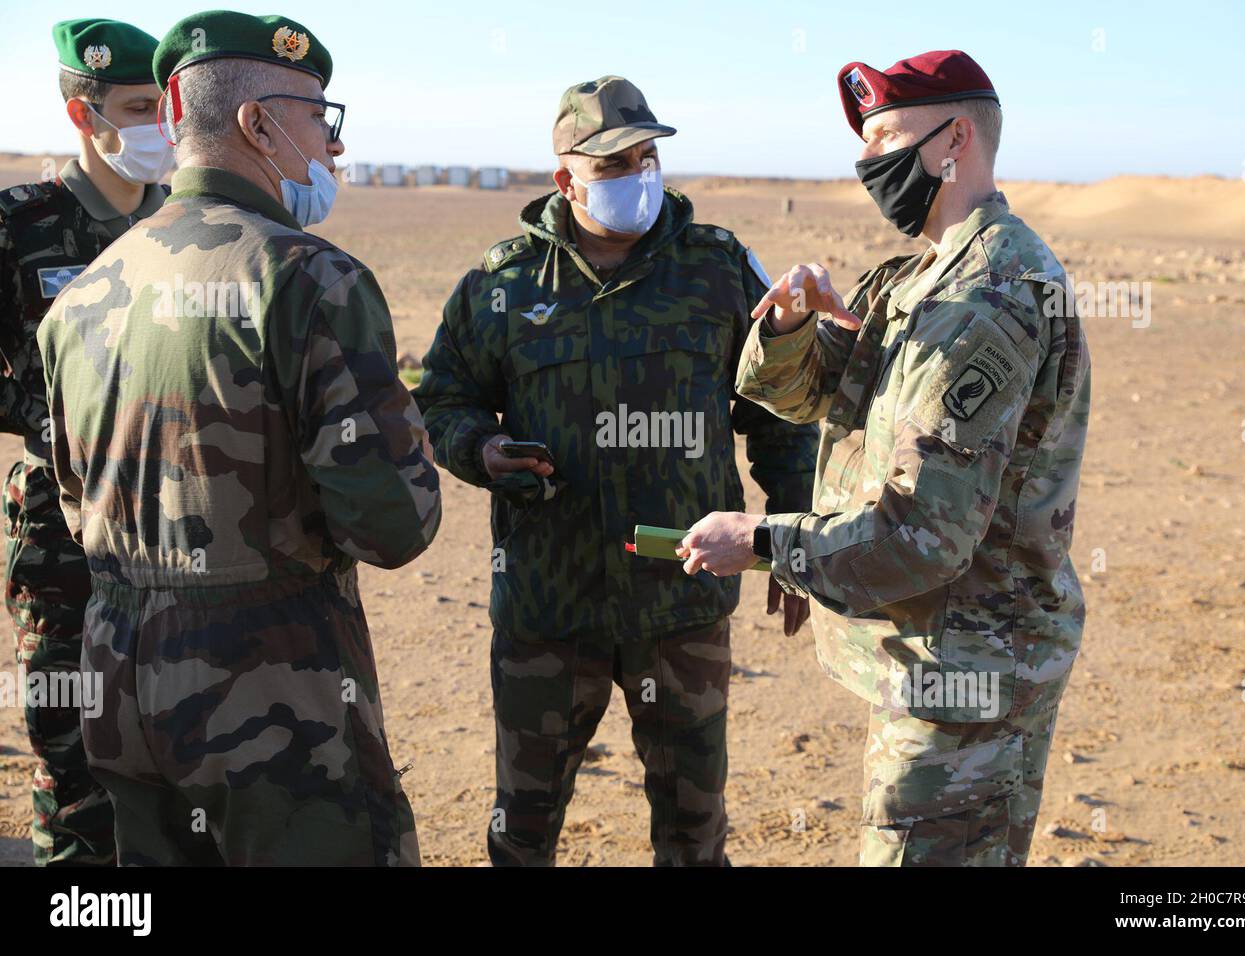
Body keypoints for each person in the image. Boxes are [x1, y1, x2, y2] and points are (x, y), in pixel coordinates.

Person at [37, 11, 442, 865]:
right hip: (274, 694)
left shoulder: (85, 293)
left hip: (120, 679)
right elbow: (393, 525)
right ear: (258, 123)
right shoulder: (308, 277)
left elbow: (78, 502)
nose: (330, 149)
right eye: (317, 120)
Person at [679, 50, 1091, 866]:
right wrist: (797, 326)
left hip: (969, 675)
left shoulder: (988, 296)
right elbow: (813, 400)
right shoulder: (920, 279)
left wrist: (763, 543)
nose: (871, 164)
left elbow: (922, 536)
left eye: (888, 138)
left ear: (955, 140)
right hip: (931, 657)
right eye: (865, 145)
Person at [414, 75, 818, 866]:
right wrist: (481, 452)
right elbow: (443, 399)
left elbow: (777, 409)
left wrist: (788, 532)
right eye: (613, 163)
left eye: (646, 154)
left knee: (694, 825)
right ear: (566, 179)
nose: (637, 173)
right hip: (546, 605)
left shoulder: (716, 268)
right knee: (523, 825)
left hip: (682, 599)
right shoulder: (502, 286)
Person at [0, 17, 172, 867]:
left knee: (182, 761)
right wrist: (45, 413)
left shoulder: (193, 228)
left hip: (185, 535)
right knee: (73, 760)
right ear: (83, 115)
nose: (161, 125)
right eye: (140, 107)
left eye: (168, 104)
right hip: (65, 543)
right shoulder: (20, 225)